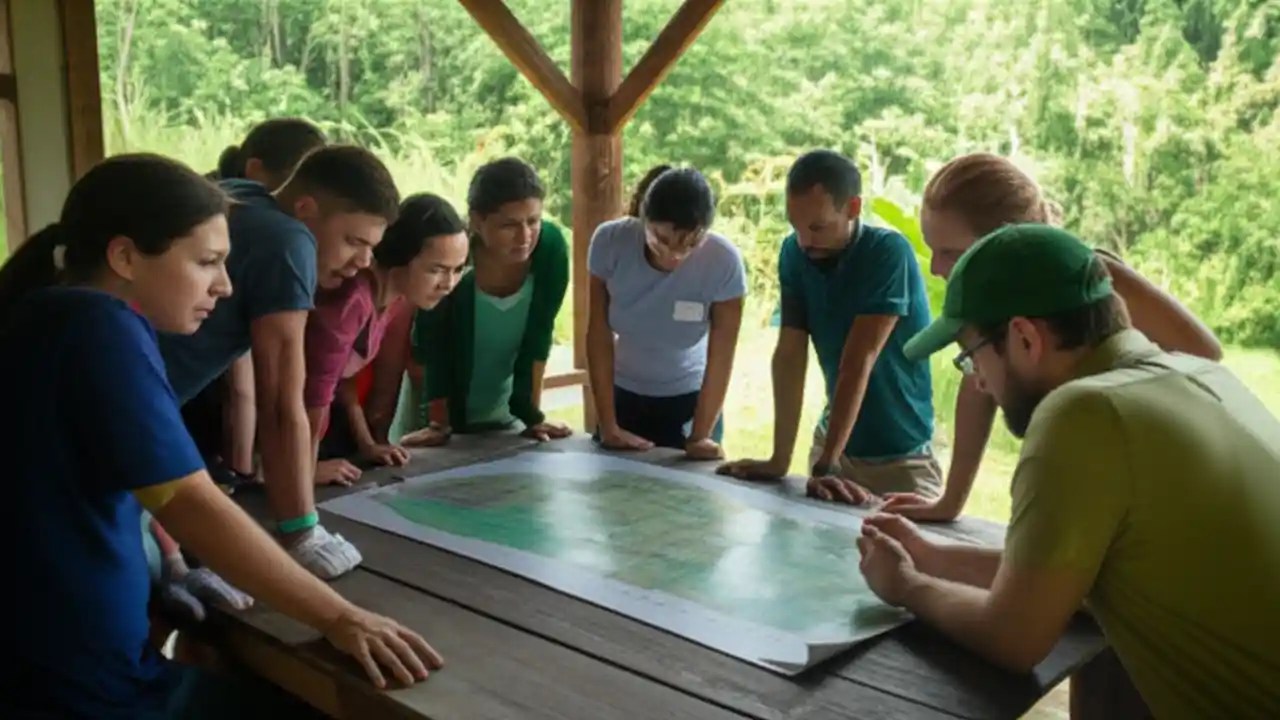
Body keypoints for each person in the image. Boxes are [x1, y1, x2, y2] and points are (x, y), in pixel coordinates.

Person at [0, 154, 442, 719]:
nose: (226, 286)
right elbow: (189, 501)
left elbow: (136, 482)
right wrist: (340, 616)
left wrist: (172, 562)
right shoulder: (99, 329)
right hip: (86, 688)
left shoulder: (42, 317)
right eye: (207, 262)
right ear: (125, 256)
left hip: (67, 662)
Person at [856, 223, 1280, 719]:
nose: (982, 384)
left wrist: (907, 586)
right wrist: (931, 556)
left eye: (972, 357)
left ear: (1024, 338)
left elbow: (1014, 636)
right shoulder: (1194, 373)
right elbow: (1061, 577)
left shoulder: (1084, 413)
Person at [883, 152, 1223, 521]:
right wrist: (950, 501)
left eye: (952, 253)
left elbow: (1203, 352)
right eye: (933, 250)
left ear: (1007, 238)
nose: (935, 268)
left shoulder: (1086, 275)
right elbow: (979, 385)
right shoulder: (992, 294)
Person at [159, 145, 401, 579]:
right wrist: (301, 531)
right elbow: (280, 401)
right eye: (353, 241)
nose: (363, 263)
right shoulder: (290, 241)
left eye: (371, 248)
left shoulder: (241, 195)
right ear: (305, 208)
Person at [719, 150, 938, 504]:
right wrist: (780, 460)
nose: (805, 240)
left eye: (817, 227)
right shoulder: (794, 253)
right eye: (796, 226)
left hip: (902, 460)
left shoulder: (888, 253)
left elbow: (859, 358)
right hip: (831, 449)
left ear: (852, 208)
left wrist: (828, 464)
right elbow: (789, 354)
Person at [188, 117, 328, 491]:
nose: (223, 286)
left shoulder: (233, 198)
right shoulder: (278, 237)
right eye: (206, 262)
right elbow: (253, 393)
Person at [401, 157, 571, 446]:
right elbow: (431, 343)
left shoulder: (551, 250)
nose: (525, 236)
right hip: (433, 413)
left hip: (505, 418)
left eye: (533, 221)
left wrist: (532, 417)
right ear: (478, 221)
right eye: (510, 225)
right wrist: (438, 423)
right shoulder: (455, 257)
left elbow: (539, 335)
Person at [586, 165, 745, 458]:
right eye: (661, 239)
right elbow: (598, 333)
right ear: (643, 220)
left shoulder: (723, 262)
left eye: (690, 243)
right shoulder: (610, 242)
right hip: (622, 395)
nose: (674, 254)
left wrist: (700, 435)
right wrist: (608, 424)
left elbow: (721, 358)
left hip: (690, 400)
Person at [305, 194, 470, 475]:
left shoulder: (394, 298)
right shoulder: (353, 299)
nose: (448, 284)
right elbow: (312, 391)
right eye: (437, 270)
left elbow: (343, 379)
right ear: (400, 256)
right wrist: (305, 469)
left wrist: (368, 444)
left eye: (457, 271)